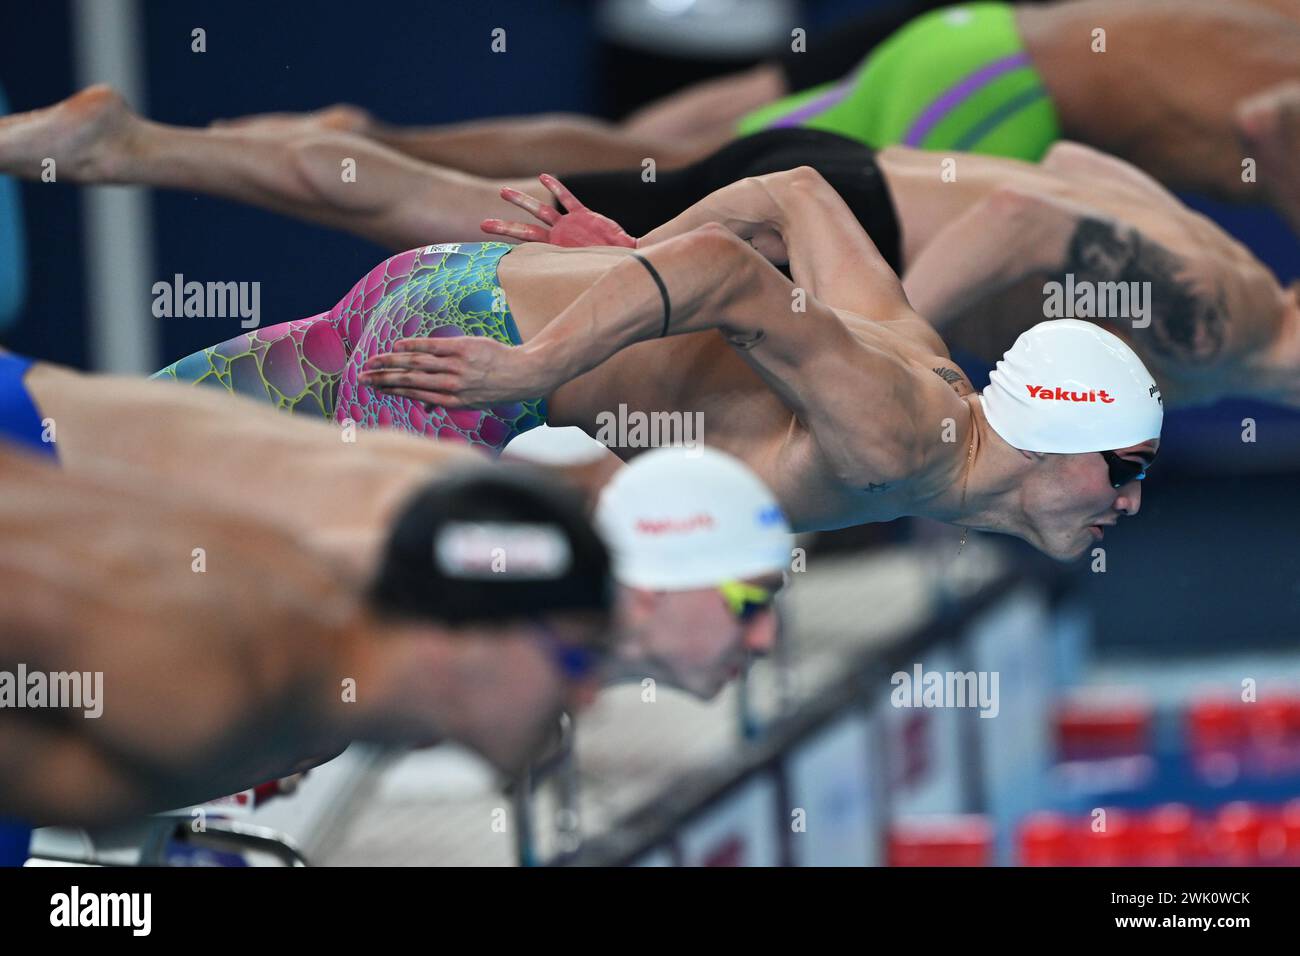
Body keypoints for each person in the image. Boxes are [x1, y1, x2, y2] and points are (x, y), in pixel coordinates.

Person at [6, 89, 1296, 413]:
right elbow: (1024, 220)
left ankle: (138, 144)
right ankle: (129, 151)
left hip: (841, 185)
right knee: (448, 234)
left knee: (439, 205)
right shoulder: (1220, 325)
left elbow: (1071, 176)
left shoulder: (1233, 273)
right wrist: (903, 354)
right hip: (838, 218)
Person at [200, 0, 1300, 231]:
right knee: (683, 204)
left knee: (661, 153)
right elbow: (1270, 123)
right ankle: (358, 168)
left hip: (973, 36)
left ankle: (364, 140)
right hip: (996, 93)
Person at [0, 435, 615, 835]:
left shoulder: (301, 612)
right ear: (471, 640)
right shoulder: (212, 682)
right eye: (576, 656)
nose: (587, 693)